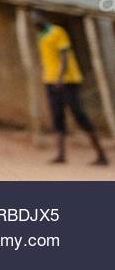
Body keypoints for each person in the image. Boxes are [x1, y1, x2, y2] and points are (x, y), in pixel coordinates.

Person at [31, 11, 109, 166]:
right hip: (50, 81)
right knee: (57, 115)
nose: (33, 20)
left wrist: (60, 77)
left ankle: (101, 154)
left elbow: (64, 55)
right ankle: (61, 154)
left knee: (79, 114)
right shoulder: (41, 37)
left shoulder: (58, 32)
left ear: (42, 16)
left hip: (68, 80)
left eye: (35, 16)